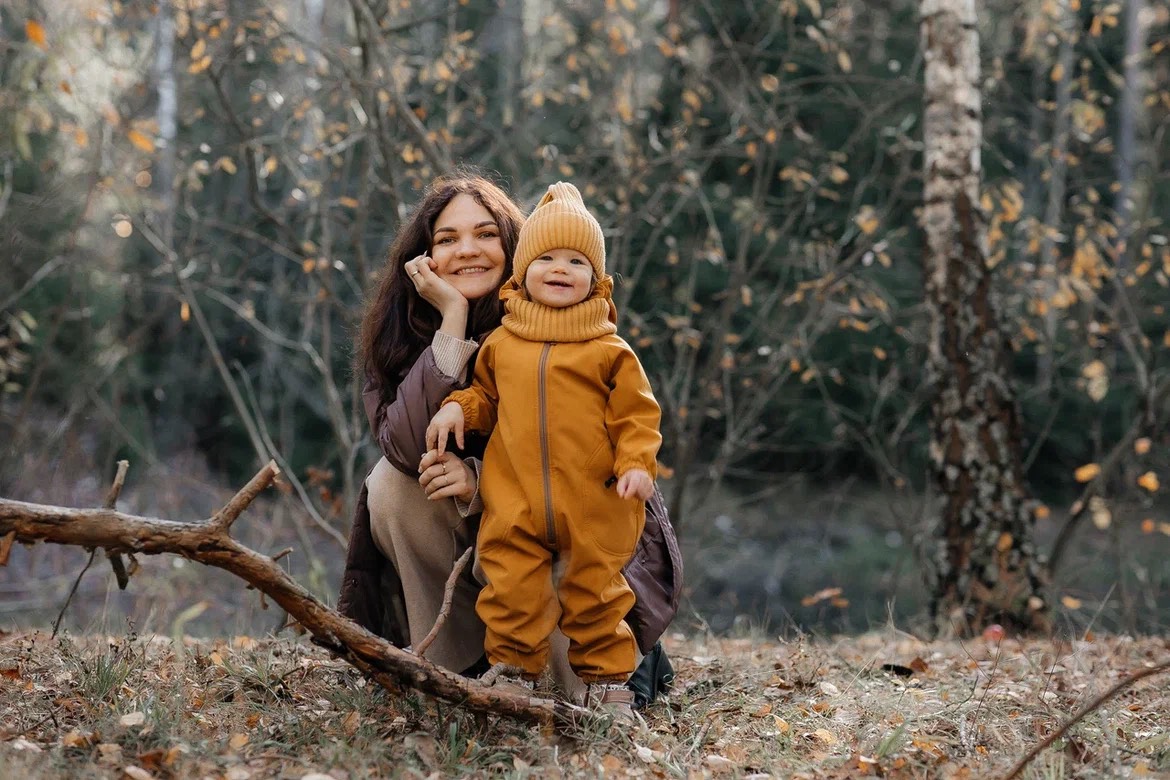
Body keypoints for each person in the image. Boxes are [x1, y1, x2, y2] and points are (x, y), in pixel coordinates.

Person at [336, 171, 682, 708]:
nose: (467, 250)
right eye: (447, 239)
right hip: (501, 533)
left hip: (580, 525)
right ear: (424, 257)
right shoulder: (404, 329)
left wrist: (477, 477)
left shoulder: (577, 320)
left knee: (574, 681)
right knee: (389, 484)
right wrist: (451, 324)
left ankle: (617, 661)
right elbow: (405, 449)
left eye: (485, 234)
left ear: (513, 245)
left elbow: (629, 418)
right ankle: (454, 667)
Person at [426, 182, 662, 721]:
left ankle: (610, 686)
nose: (560, 269)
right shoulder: (503, 343)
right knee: (511, 590)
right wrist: (457, 409)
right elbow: (484, 396)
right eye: (547, 258)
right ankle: (512, 675)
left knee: (598, 597)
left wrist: (635, 466)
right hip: (516, 503)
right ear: (522, 272)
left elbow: (638, 417)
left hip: (594, 506)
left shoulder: (609, 351)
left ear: (596, 279)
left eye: (576, 260)